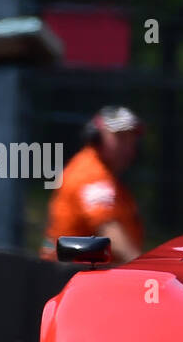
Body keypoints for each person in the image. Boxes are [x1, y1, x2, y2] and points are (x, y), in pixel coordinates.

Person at [42, 106, 145, 262]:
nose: (128, 147)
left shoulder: (107, 175)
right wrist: (141, 268)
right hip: (68, 276)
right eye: (120, 137)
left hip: (84, 274)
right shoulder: (91, 175)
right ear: (97, 137)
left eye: (131, 139)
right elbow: (110, 231)